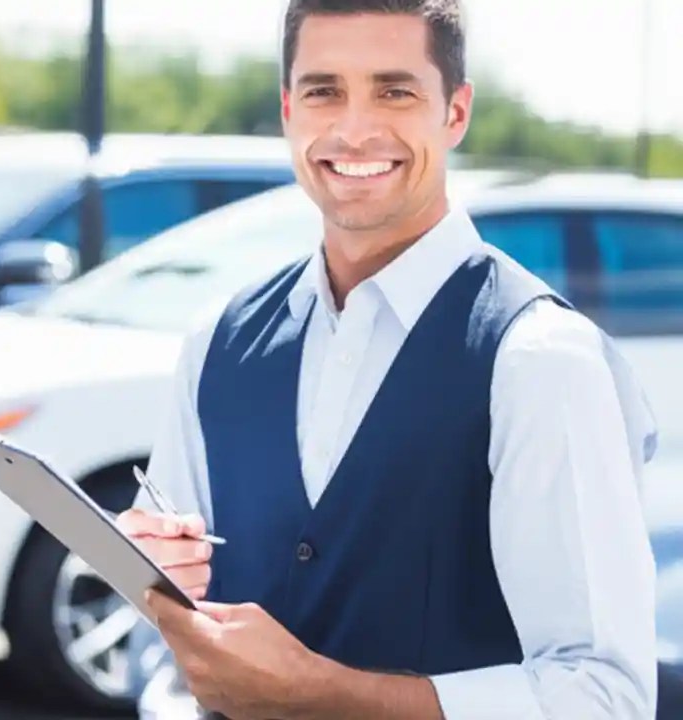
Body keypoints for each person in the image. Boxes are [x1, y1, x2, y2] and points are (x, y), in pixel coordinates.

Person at [116, 1, 659, 718]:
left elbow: (605, 696)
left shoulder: (540, 360)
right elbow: (163, 652)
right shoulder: (218, 340)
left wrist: (323, 696)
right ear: (287, 109)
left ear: (456, 113)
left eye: (394, 91)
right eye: (323, 91)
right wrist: (157, 587)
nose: (354, 128)